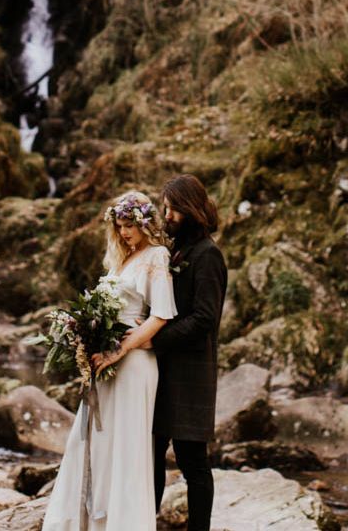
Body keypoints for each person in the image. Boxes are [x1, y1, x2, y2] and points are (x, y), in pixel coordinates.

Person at [42, 191, 176, 531]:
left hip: (133, 365)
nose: (125, 232)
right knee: (95, 441)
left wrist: (122, 348)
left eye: (130, 225)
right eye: (120, 226)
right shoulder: (124, 259)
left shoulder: (157, 256)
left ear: (145, 223)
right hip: (107, 364)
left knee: (126, 446)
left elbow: (160, 315)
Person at [152, 174, 228, 531]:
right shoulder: (176, 250)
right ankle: (142, 521)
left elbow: (204, 319)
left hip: (191, 372)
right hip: (164, 371)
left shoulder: (208, 255)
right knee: (151, 452)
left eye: (172, 208)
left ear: (189, 208)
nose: (166, 215)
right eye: (165, 207)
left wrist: (154, 338)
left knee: (192, 461)